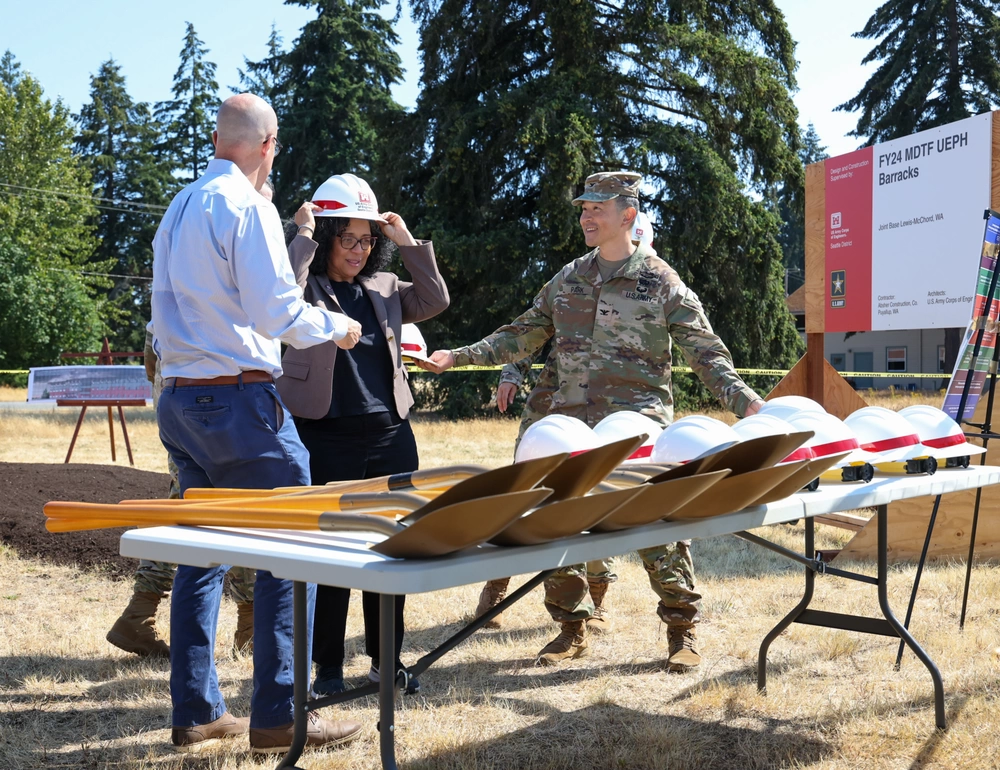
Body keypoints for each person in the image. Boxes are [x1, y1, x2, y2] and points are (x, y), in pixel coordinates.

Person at [419, 171, 764, 671]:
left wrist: (746, 402)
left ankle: (681, 630)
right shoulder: (569, 277)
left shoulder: (661, 281)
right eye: (583, 208)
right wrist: (459, 356)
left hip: (635, 427)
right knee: (556, 524)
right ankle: (571, 627)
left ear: (628, 215)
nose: (586, 217)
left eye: (597, 209)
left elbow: (706, 353)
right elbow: (522, 333)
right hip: (569, 424)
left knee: (654, 525)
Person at [150, 93, 364, 754]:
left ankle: (196, 713)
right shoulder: (249, 207)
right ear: (268, 145)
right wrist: (339, 326)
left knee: (201, 557)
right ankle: (279, 715)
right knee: (291, 549)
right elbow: (277, 314)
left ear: (220, 140)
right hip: (239, 400)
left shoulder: (180, 205)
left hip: (180, 400)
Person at [275, 173, 449, 696]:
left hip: (392, 434)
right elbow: (280, 293)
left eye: (367, 240)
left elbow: (435, 298)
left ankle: (385, 661)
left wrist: (407, 241)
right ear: (328, 237)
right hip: (325, 435)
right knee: (333, 557)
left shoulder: (386, 288)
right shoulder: (305, 288)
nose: (358, 250)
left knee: (391, 552)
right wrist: (303, 234)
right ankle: (327, 669)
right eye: (347, 238)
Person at [104, 175, 276, 659]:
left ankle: (140, 614)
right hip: (217, 401)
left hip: (181, 399)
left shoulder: (181, 261)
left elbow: (153, 360)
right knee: (224, 510)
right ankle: (245, 623)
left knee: (193, 508)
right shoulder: (231, 263)